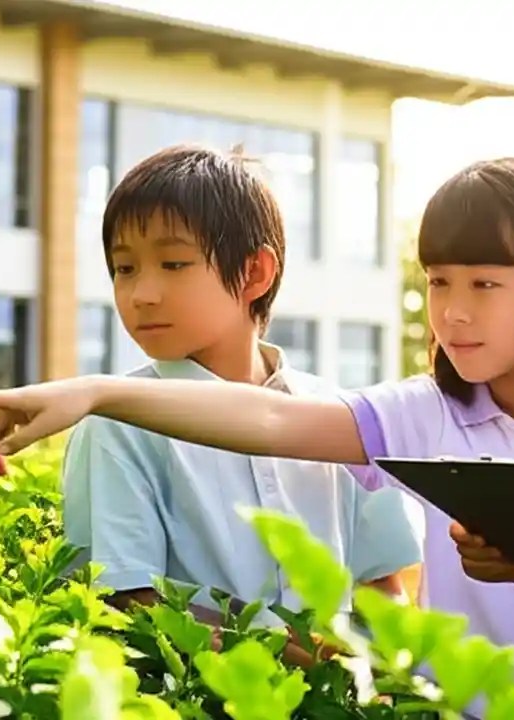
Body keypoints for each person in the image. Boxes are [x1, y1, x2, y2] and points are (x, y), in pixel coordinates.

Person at [0, 157, 514, 720]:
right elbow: (266, 425)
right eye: (438, 283)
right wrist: (94, 392)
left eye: (485, 284)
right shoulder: (421, 414)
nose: (454, 312)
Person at [54, 144, 423, 649]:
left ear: (255, 274)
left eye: (173, 263)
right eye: (124, 268)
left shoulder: (337, 418)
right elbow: (126, 603)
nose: (141, 293)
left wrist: (379, 677)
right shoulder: (118, 425)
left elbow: (383, 587)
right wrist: (303, 662)